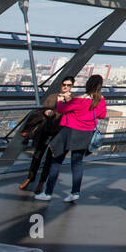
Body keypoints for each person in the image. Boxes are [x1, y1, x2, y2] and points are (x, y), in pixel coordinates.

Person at [35, 74, 106, 202]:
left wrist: (62, 100)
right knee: (77, 163)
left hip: (69, 132)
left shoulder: (81, 100)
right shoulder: (100, 100)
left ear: (88, 84)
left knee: (56, 161)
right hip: (85, 134)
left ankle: (48, 192)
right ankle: (75, 192)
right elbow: (102, 115)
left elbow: (62, 109)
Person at [20, 76, 73, 191]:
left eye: (68, 85)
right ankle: (30, 177)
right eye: (64, 84)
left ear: (72, 86)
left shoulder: (72, 99)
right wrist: (46, 111)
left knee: (50, 159)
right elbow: (42, 110)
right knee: (37, 155)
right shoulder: (52, 97)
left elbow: (72, 113)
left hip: (59, 132)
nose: (65, 87)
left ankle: (41, 182)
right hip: (46, 129)